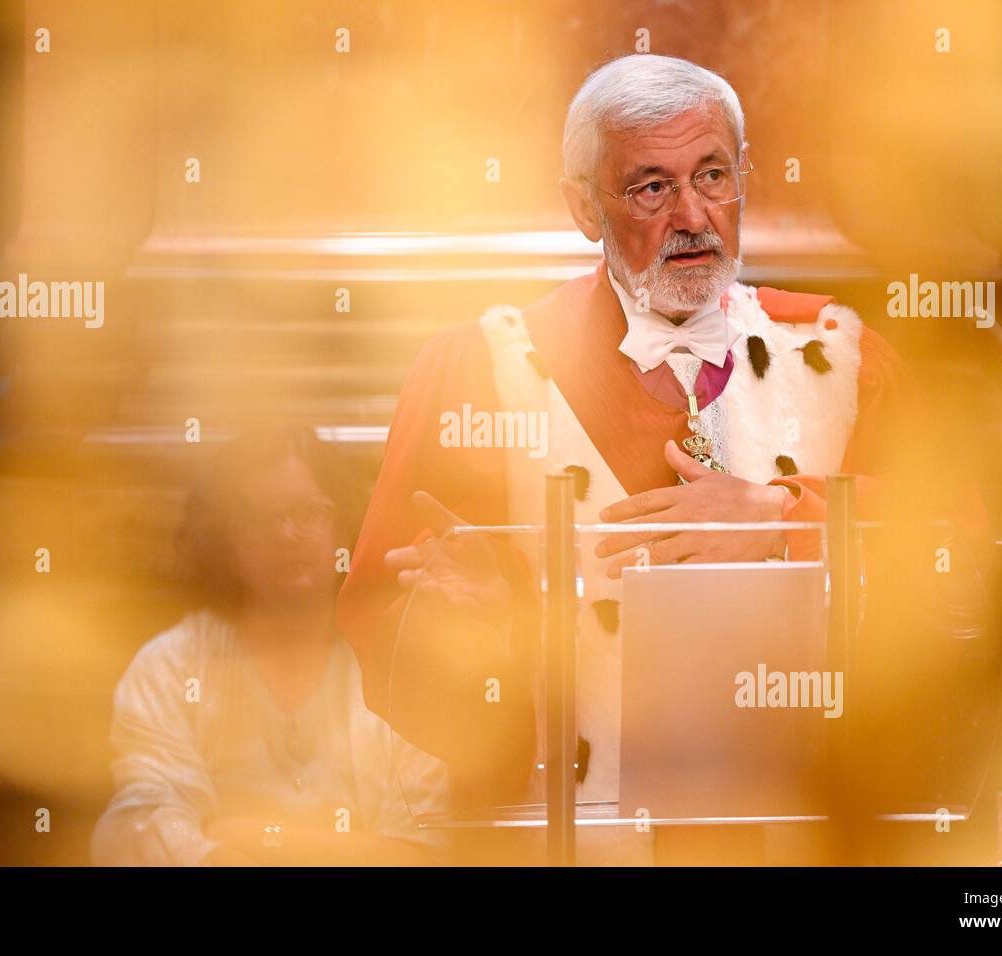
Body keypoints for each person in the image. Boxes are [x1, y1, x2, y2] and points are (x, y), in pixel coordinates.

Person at [336, 54, 923, 848]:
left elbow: (956, 561)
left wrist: (786, 519)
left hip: (802, 834)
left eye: (713, 175)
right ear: (584, 206)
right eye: (652, 186)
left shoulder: (842, 359)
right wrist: (468, 628)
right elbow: (386, 630)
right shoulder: (481, 371)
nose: (692, 214)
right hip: (570, 838)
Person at [92, 426, 448, 866]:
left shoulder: (394, 666)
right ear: (226, 539)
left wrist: (244, 836)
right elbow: (142, 829)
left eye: (309, 513)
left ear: (345, 526)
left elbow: (422, 852)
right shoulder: (169, 667)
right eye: (258, 516)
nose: (285, 534)